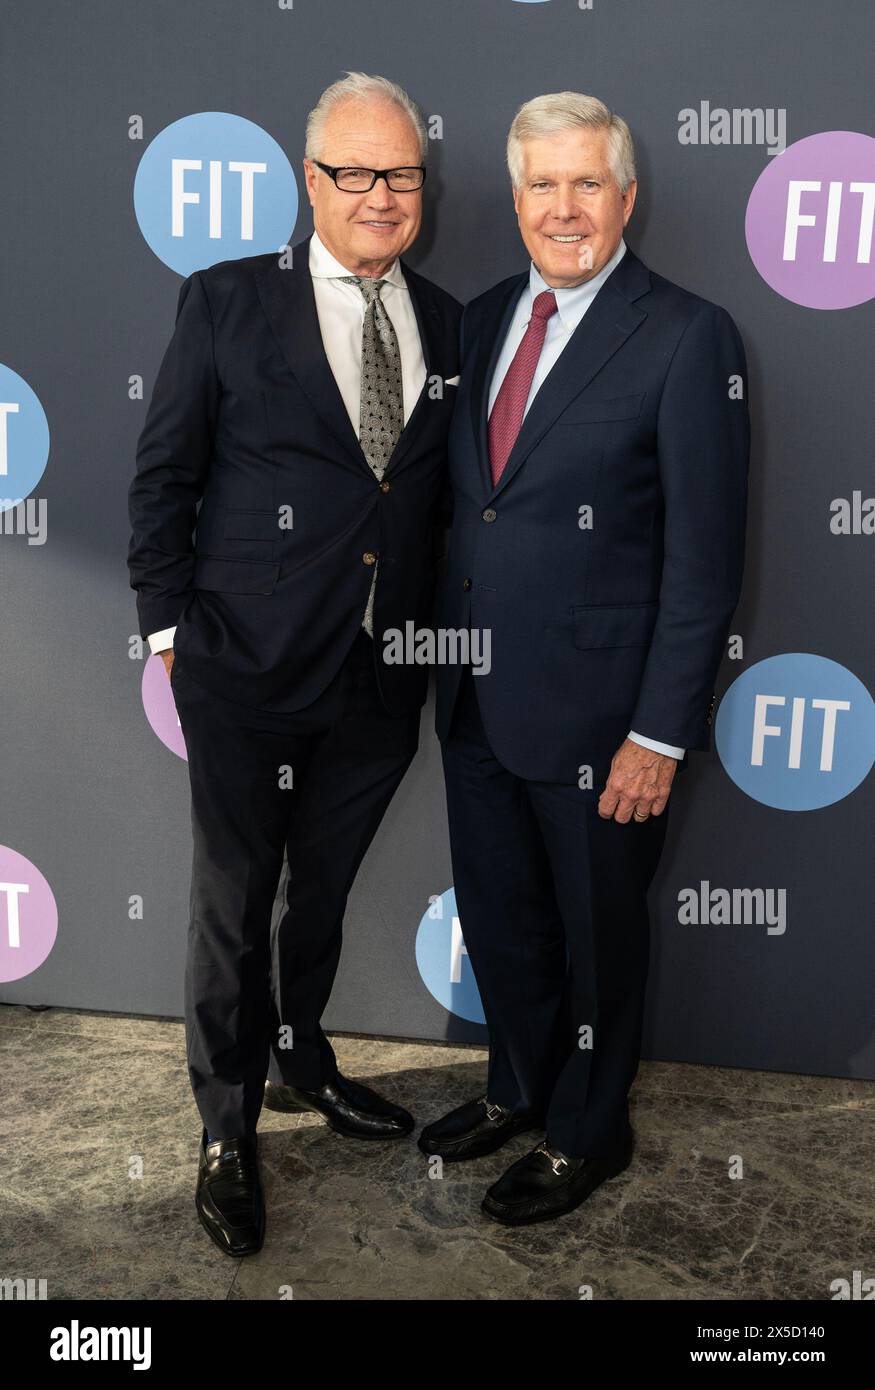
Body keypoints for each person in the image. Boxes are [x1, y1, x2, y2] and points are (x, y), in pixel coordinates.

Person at [128, 72, 461, 1256]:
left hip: (379, 675)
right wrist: (170, 633)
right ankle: (225, 1126)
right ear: (308, 181)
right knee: (231, 903)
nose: (380, 194)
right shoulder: (227, 299)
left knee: (318, 893)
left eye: (400, 173)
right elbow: (165, 472)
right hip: (244, 668)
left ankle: (298, 1056)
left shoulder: (446, 319)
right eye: (353, 172)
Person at [422, 91, 749, 1226]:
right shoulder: (478, 321)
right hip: (472, 697)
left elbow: (703, 562)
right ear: (516, 200)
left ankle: (586, 1132)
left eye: (586, 184)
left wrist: (657, 732)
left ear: (627, 196)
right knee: (501, 916)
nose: (564, 209)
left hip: (607, 721)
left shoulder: (687, 335)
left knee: (598, 942)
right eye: (542, 185)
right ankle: (518, 1086)